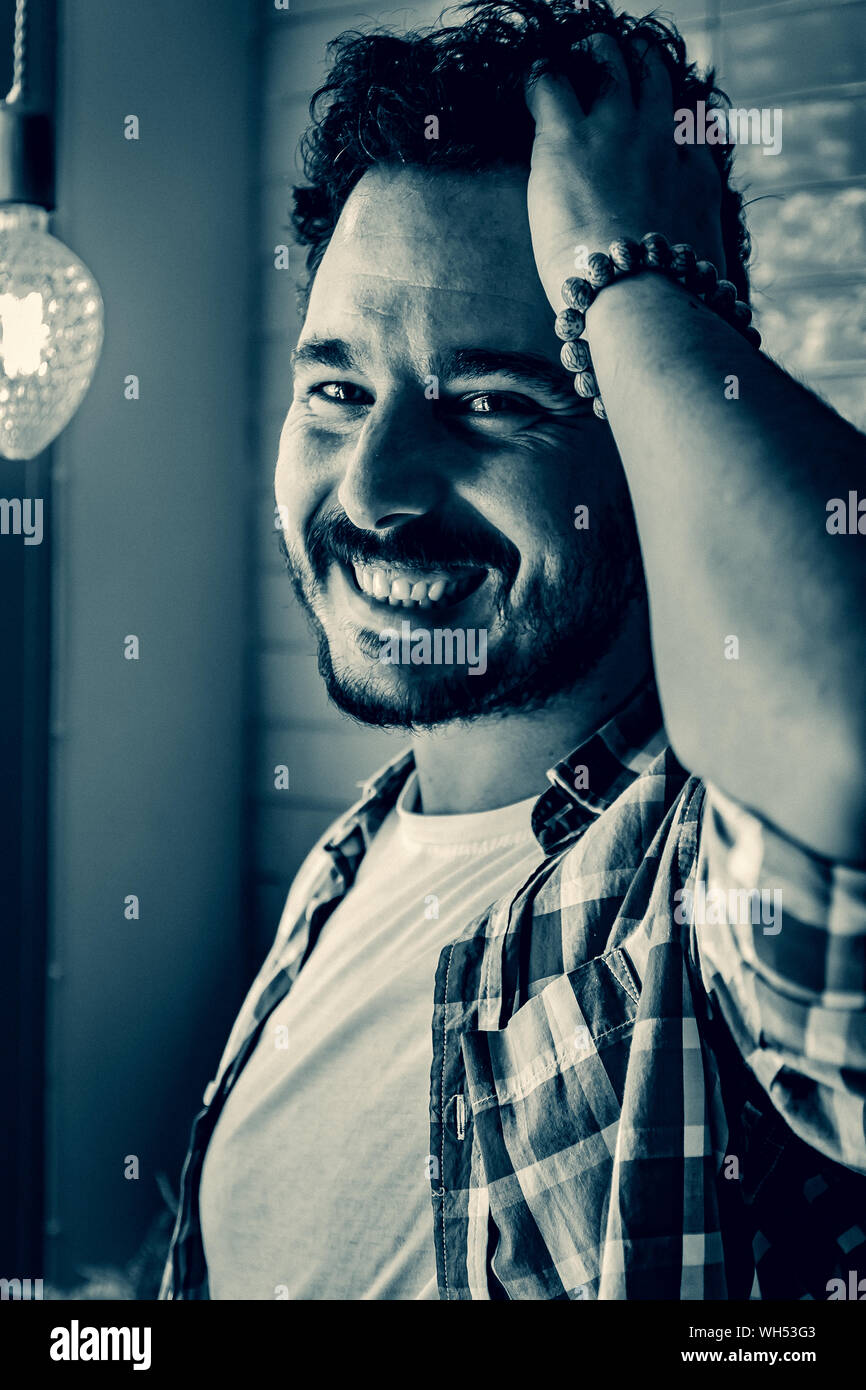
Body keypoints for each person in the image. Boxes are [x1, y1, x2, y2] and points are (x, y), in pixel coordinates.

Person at [161, 0, 866, 1300]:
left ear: (649, 425)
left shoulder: (698, 904)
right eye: (337, 391)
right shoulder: (353, 856)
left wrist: (634, 278)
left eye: (491, 400)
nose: (373, 489)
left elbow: (845, 732)